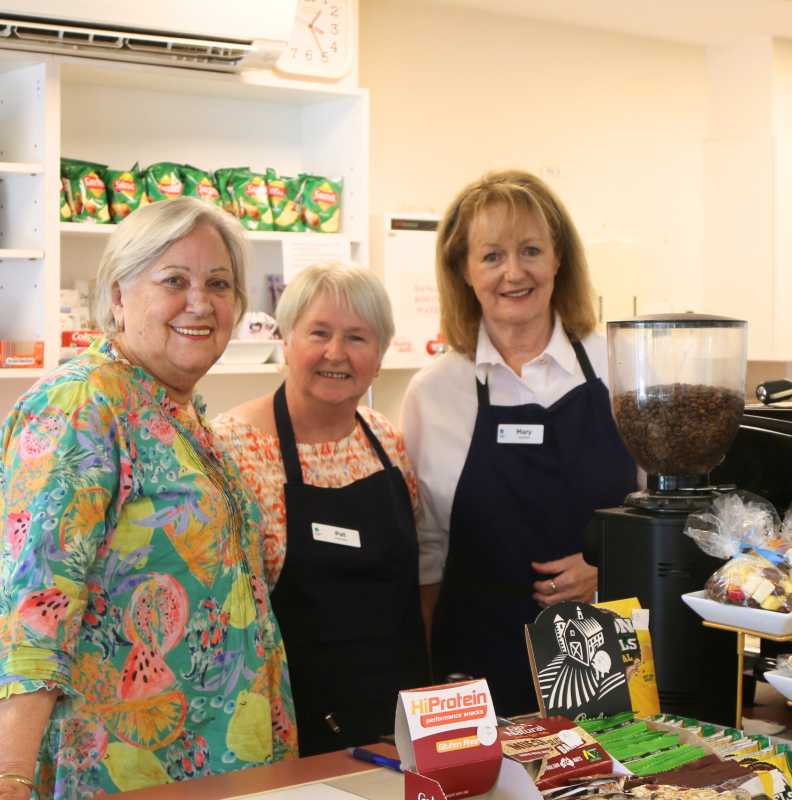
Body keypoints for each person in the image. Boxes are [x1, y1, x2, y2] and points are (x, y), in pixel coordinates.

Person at [0, 197, 296, 800]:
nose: (200, 302)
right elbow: (36, 610)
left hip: (217, 753)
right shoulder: (80, 405)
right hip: (123, 767)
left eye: (219, 284)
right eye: (174, 280)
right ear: (118, 296)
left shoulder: (181, 412)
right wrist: (9, 774)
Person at [400, 170, 637, 717]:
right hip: (477, 657)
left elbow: (666, 514)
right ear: (462, 269)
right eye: (491, 256)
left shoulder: (620, 366)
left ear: (559, 260)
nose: (514, 273)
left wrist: (610, 569)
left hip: (603, 650)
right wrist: (427, 682)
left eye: (531, 250)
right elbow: (428, 555)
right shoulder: (434, 392)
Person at [213, 263, 428, 756]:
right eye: (319, 333)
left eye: (357, 337)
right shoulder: (232, 446)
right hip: (287, 724)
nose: (336, 354)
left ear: (379, 355)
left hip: (395, 720)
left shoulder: (386, 440)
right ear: (286, 341)